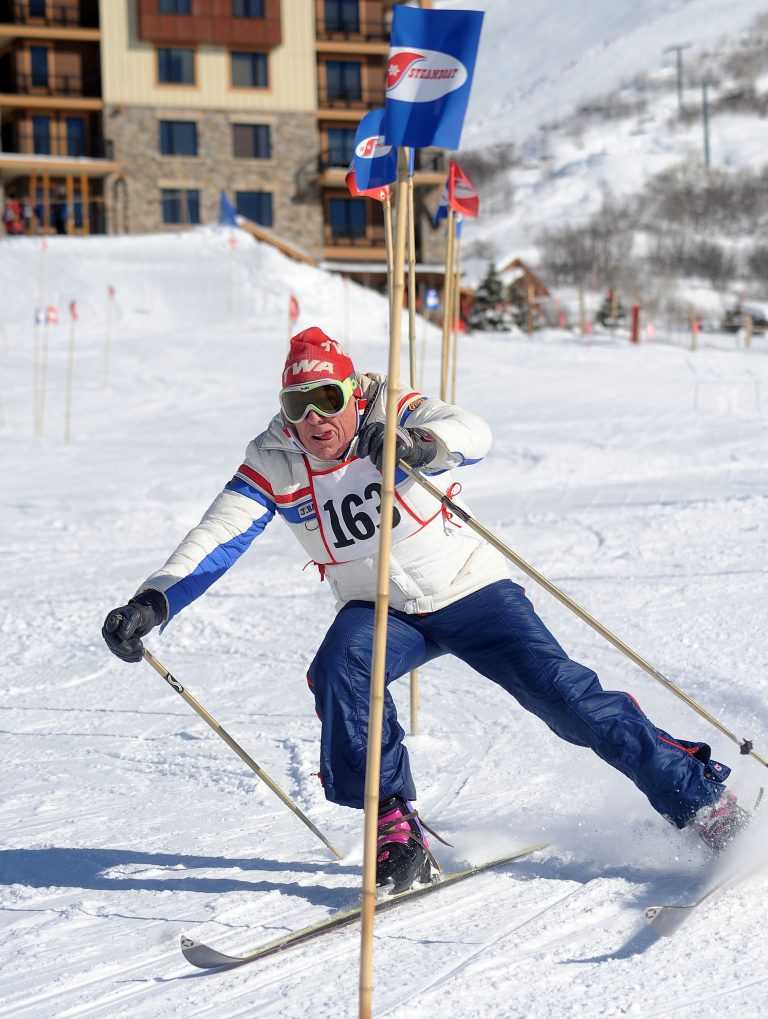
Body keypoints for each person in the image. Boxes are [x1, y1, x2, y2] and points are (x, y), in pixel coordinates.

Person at [103, 326, 748, 892]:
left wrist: (416, 444)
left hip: (469, 587)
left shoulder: (390, 407)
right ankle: (395, 829)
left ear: (350, 392)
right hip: (381, 606)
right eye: (298, 406)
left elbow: (474, 432)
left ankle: (700, 801)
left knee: (564, 696)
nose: (315, 419)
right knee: (339, 671)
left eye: (327, 398)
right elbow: (216, 536)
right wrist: (153, 602)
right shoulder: (273, 458)